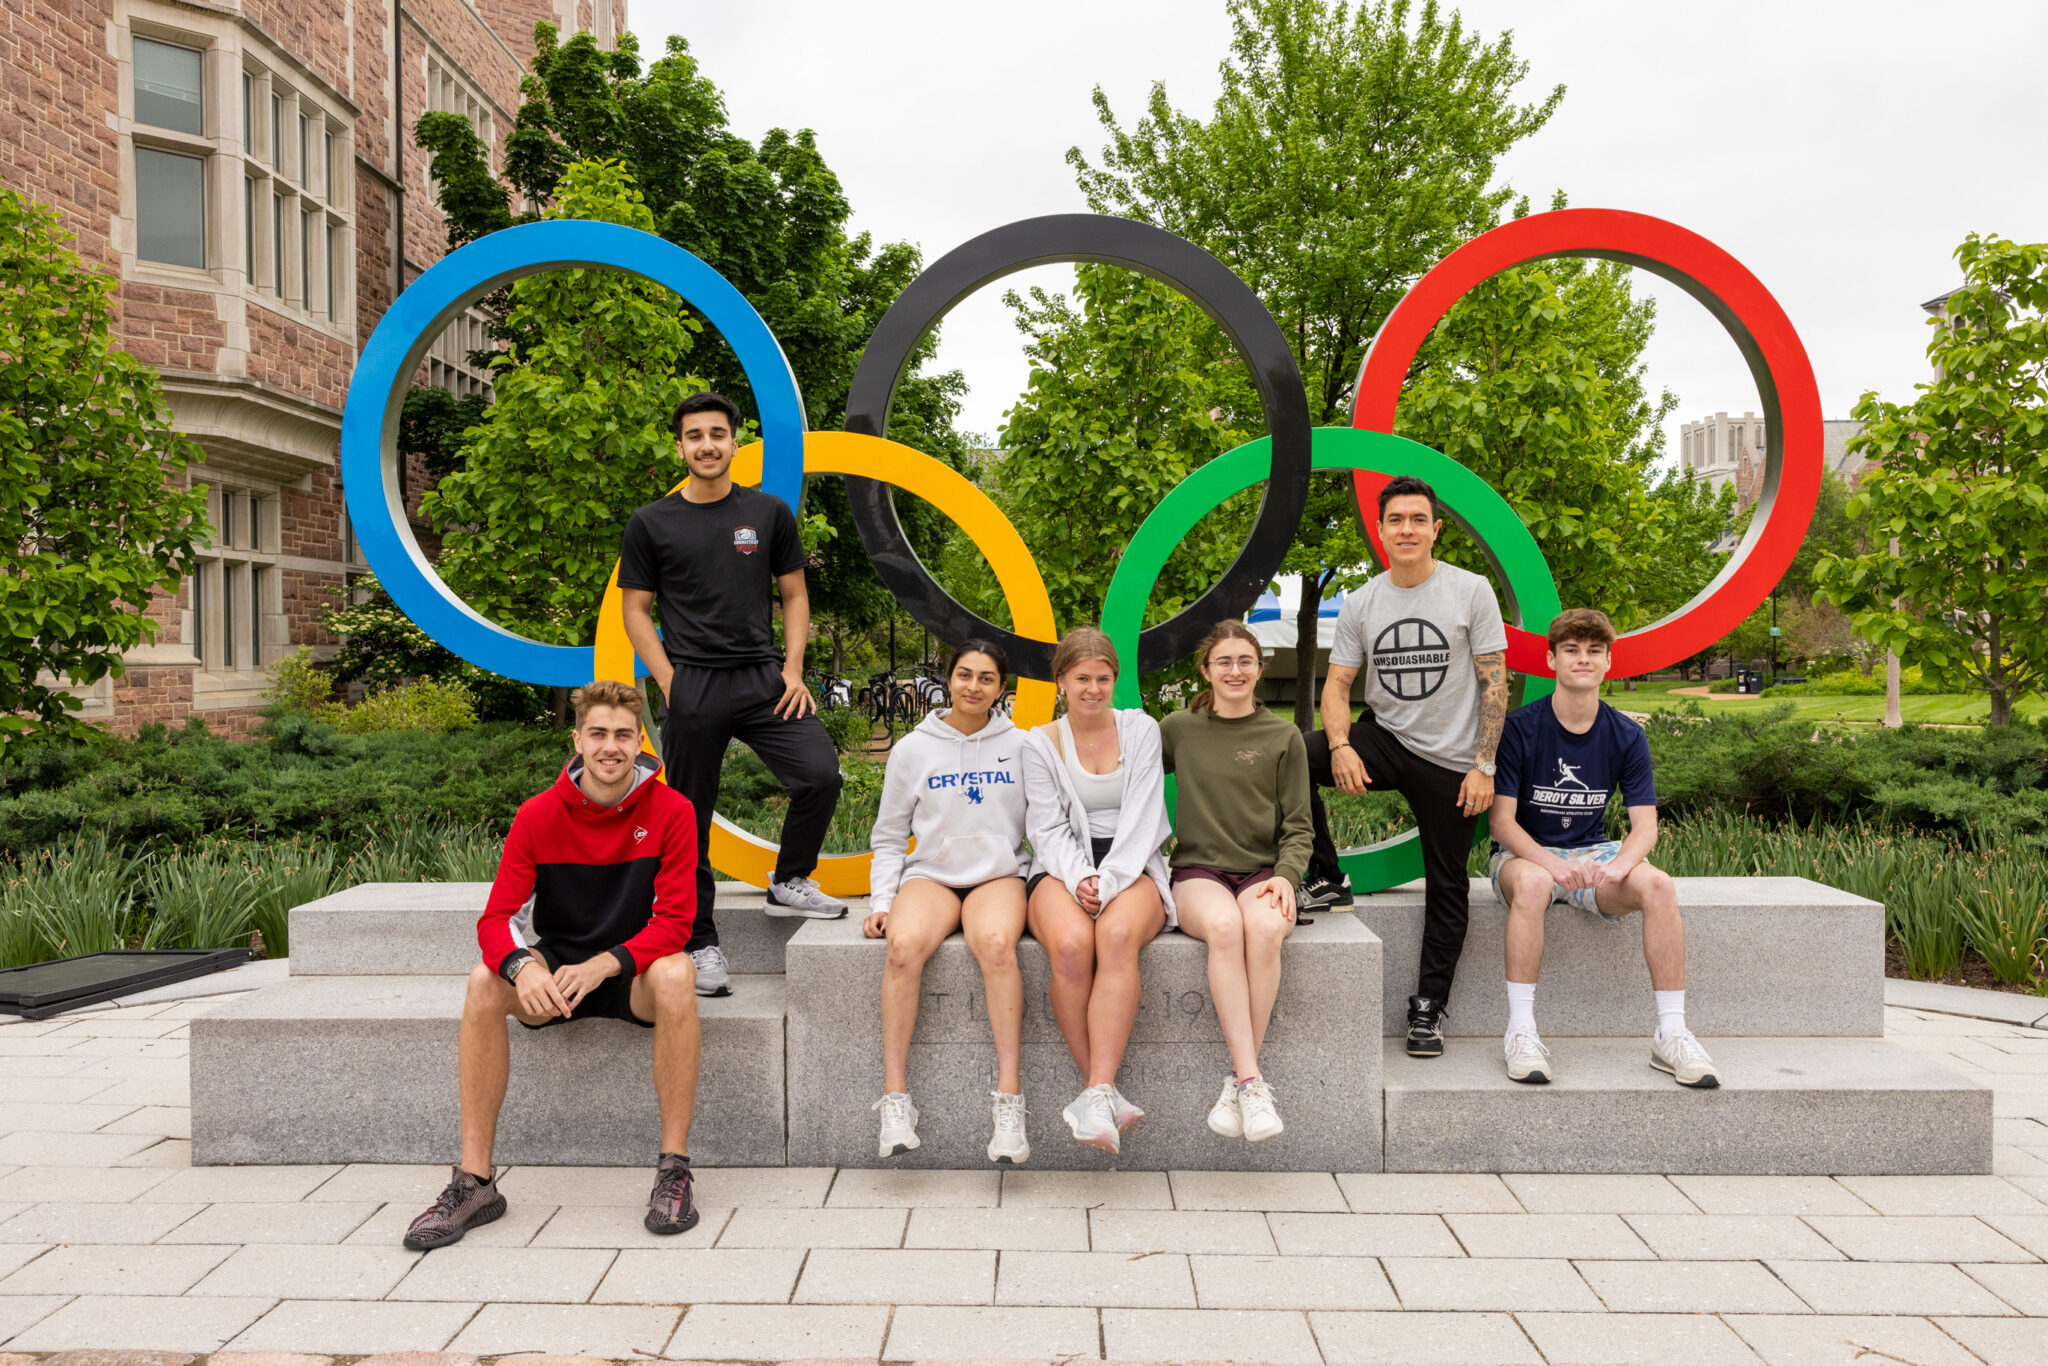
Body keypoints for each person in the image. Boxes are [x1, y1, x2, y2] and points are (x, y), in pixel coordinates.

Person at [404, 681, 704, 1250]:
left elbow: (675, 922)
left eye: (622, 734)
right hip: (558, 972)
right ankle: (474, 1182)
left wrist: (606, 965)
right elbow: (496, 919)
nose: (610, 746)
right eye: (598, 734)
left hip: (631, 971)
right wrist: (522, 967)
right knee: (482, 981)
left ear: (640, 740)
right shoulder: (538, 815)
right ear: (578, 740)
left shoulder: (672, 811)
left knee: (678, 971)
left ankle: (674, 1169)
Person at [619, 392, 848, 999]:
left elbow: (794, 596)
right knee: (687, 819)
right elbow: (635, 610)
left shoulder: (768, 513)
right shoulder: (651, 522)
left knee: (821, 775)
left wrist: (794, 670)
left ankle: (790, 878)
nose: (707, 445)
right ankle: (700, 942)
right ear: (681, 447)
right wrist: (670, 681)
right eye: (694, 436)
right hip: (693, 681)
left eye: (717, 434)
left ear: (735, 442)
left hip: (763, 679)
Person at [1298, 475, 1509, 1059]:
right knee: (1292, 757)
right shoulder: (1363, 601)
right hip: (1386, 739)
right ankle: (1326, 876)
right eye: (1397, 520)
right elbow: (1337, 685)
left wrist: (1484, 765)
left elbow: (1496, 683)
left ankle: (1428, 1009)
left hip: (1453, 761)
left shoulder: (1471, 592)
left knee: (1447, 884)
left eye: (1419, 519)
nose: (1408, 529)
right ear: (1381, 530)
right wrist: (1340, 746)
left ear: (1435, 529)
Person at [1488, 608, 1719, 1088]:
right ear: (1551, 659)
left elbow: (1644, 827)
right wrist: (1551, 864)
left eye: (1594, 651)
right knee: (1532, 883)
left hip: (1591, 855)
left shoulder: (1626, 734)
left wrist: (1620, 867)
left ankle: (1671, 1034)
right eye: (1571, 650)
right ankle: (1522, 1032)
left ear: (1608, 662)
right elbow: (1502, 822)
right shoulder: (1520, 728)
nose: (1583, 659)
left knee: (1656, 884)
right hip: (1525, 857)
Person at [863, 641, 1034, 1163]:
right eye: (964, 675)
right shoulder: (914, 748)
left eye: (986, 678)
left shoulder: (1024, 746)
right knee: (902, 947)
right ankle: (896, 1101)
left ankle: (1009, 1103)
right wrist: (882, 898)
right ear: (948, 679)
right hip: (932, 876)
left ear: (1002, 688)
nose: (973, 686)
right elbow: (890, 835)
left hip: (998, 875)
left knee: (998, 945)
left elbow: (1045, 825)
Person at [1020, 627, 1174, 1154]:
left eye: (1102, 678)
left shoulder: (1141, 730)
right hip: (1062, 867)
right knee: (1069, 946)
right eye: (1081, 678)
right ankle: (1101, 1092)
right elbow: (1045, 827)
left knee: (1113, 938)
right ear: (1061, 680)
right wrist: (1080, 876)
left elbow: (1144, 817)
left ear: (1115, 679)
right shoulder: (1039, 742)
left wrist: (1108, 881)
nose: (1093, 688)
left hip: (1132, 865)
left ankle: (1094, 1094)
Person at [1159, 620, 1313, 1143]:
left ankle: (1239, 1081)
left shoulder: (1281, 734)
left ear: (1259, 670)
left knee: (1266, 930)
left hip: (1262, 871)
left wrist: (1289, 876)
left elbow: (1299, 824)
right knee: (1225, 929)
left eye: (1245, 661)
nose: (1235, 670)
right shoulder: (1178, 728)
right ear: (1205, 670)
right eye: (1223, 662)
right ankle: (1252, 1080)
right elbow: (1124, 780)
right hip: (1198, 869)